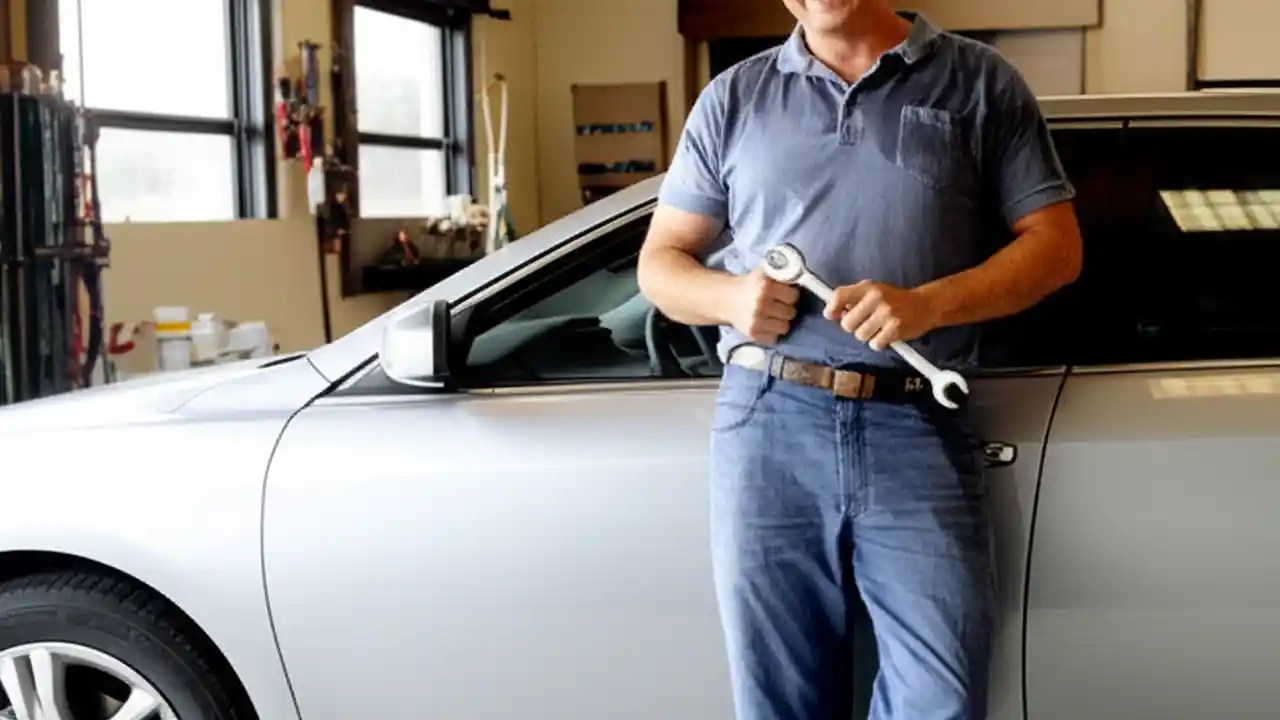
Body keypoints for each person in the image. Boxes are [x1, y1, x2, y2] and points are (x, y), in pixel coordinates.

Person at [636, 1, 1083, 718]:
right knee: (779, 697)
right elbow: (660, 265)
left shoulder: (980, 82)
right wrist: (731, 299)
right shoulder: (734, 96)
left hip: (916, 419)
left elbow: (1057, 249)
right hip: (768, 423)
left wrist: (930, 305)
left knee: (940, 696)